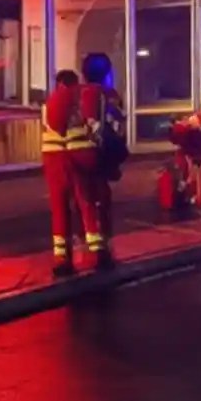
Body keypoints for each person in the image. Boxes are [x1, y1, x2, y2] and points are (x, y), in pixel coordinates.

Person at [53, 53, 125, 270]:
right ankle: (102, 250)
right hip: (97, 155)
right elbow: (115, 129)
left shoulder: (76, 93)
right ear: (107, 74)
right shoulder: (109, 95)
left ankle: (79, 249)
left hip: (74, 156)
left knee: (79, 201)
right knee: (100, 200)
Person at [42, 69, 80, 273]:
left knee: (58, 207)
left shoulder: (49, 102)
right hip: (68, 157)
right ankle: (90, 249)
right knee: (84, 202)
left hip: (51, 160)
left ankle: (61, 255)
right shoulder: (69, 101)